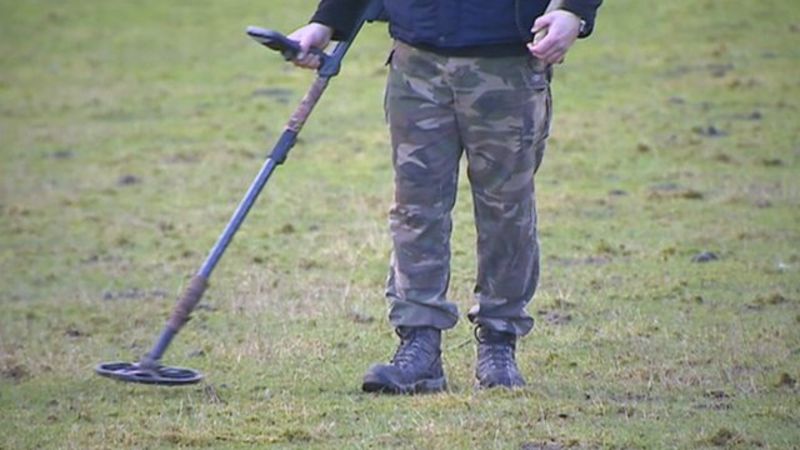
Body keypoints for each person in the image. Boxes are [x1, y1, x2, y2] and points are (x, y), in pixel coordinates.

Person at [287, 0, 602, 393]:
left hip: (507, 61)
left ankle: (499, 340)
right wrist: (327, 22)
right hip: (417, 61)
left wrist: (574, 10)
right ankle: (419, 346)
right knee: (415, 209)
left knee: (506, 210)